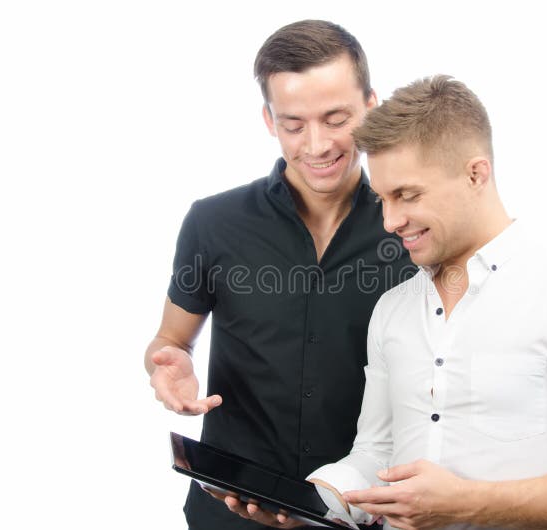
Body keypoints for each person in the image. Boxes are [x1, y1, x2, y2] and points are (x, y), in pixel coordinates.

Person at [298, 76, 547, 530]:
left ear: (476, 174)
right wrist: (307, 502)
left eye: (407, 195)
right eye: (382, 199)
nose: (390, 221)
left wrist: (466, 503)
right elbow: (378, 453)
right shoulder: (392, 310)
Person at [144, 20, 414, 529]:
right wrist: (169, 366)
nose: (317, 145)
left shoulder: (412, 230)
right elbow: (171, 341)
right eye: (293, 125)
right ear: (269, 120)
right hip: (227, 513)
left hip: (360, 513)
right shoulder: (213, 222)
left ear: (371, 107)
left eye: (336, 119)